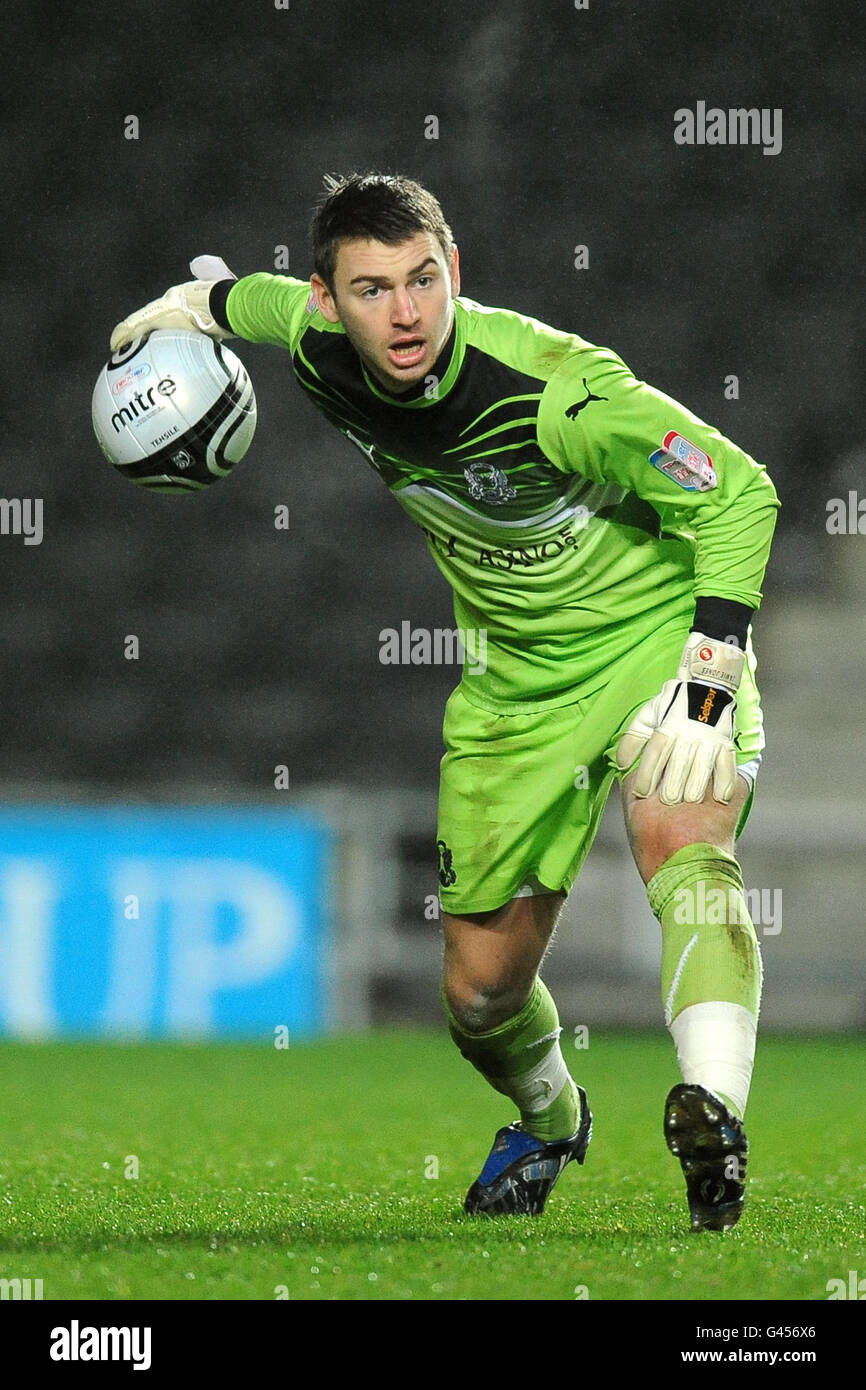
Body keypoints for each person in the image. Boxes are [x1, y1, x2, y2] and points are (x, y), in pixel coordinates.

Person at [110, 172, 780, 1231]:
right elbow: (243, 300)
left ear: (453, 272)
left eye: (425, 280)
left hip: (655, 633)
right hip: (515, 682)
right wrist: (183, 308)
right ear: (330, 303)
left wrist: (708, 673)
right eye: (372, 289)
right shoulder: (316, 346)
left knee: (680, 830)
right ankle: (552, 1117)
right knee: (479, 998)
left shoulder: (553, 389)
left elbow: (737, 489)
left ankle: (714, 1112)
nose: (406, 311)